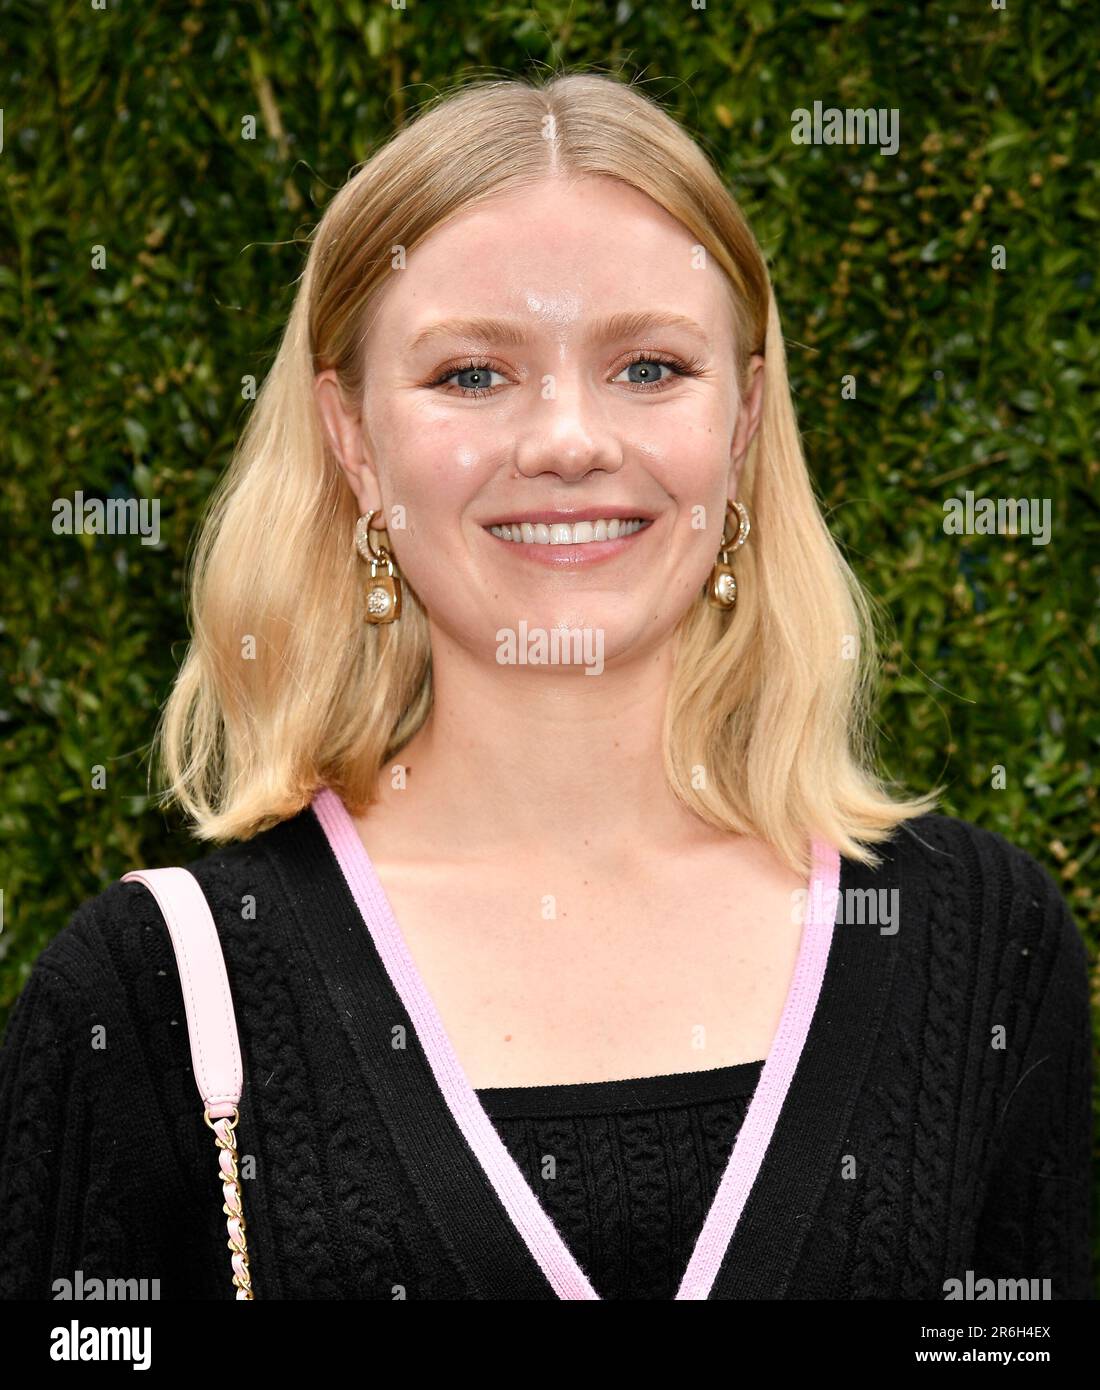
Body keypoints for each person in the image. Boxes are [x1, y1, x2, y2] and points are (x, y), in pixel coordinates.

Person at [0, 71, 1090, 1301]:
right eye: (472, 373)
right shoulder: (149, 997)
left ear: (738, 426)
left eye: (648, 366)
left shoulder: (979, 944)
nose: (568, 438)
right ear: (353, 440)